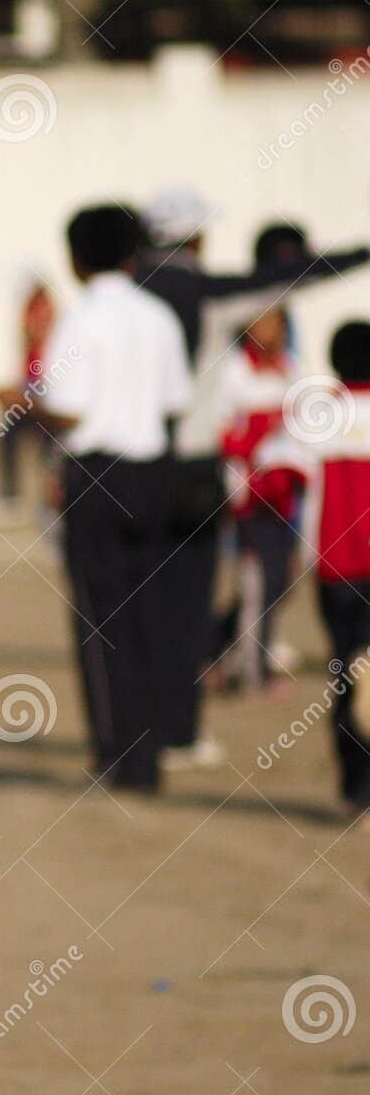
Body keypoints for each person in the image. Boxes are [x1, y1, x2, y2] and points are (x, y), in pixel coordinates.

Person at [133, 187, 370, 769]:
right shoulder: (210, 295)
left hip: (125, 468)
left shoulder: (128, 293)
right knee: (189, 607)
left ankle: (132, 737)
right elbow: (292, 280)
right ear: (198, 239)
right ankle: (180, 732)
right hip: (193, 471)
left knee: (137, 611)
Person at [25, 205, 193, 792]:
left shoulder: (81, 319)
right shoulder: (160, 316)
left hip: (97, 476)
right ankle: (152, 751)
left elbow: (70, 408)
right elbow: (175, 400)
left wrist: (21, 403)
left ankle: (119, 756)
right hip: (157, 474)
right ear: (132, 254)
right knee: (152, 617)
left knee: (102, 621)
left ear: (75, 258)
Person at [256, 321, 370, 817]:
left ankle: (356, 785)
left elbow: (271, 473)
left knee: (346, 672)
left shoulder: (319, 412)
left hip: (338, 570)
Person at [210, 304, 300, 694]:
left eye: (278, 323)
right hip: (248, 495)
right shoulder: (233, 374)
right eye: (265, 322)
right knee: (256, 581)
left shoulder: (291, 370)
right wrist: (259, 443)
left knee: (280, 579)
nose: (272, 331)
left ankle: (215, 646)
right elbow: (221, 432)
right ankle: (253, 669)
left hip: (284, 495)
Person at [0, 269, 57, 514]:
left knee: (49, 446)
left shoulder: (47, 315)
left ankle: (50, 497)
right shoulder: (33, 312)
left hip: (45, 391)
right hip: (32, 387)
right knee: (10, 436)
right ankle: (11, 495)